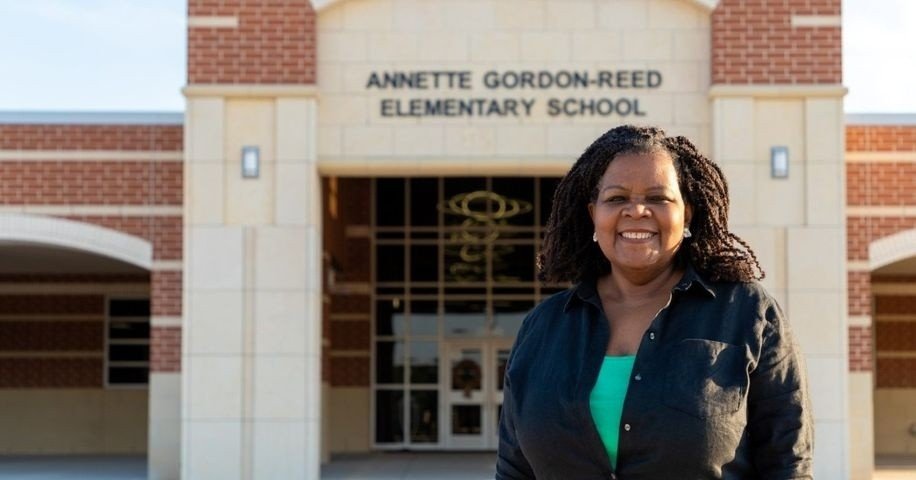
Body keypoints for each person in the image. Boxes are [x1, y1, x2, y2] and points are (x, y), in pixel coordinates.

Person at [496, 125, 813, 479]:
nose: (637, 211)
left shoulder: (746, 313)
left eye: (658, 198)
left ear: (687, 213)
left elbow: (787, 465)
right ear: (593, 214)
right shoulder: (543, 326)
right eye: (617, 198)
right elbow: (513, 469)